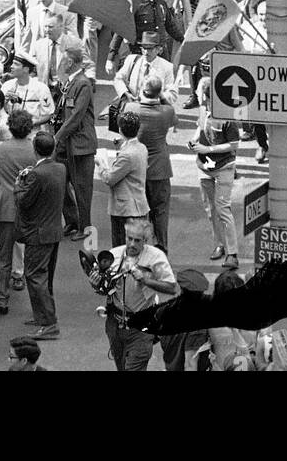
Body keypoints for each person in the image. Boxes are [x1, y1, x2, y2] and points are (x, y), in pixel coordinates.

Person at [0, 107, 36, 316]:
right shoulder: (35, 149)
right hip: (29, 207)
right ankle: (35, 298)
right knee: (33, 254)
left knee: (4, 254)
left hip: (6, 206)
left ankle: (2, 297)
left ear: (9, 126)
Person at [102, 217, 178, 372]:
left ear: (145, 241)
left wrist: (146, 280)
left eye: (137, 240)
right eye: (129, 239)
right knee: (121, 367)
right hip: (115, 325)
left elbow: (171, 287)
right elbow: (102, 288)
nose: (132, 244)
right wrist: (95, 282)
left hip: (142, 328)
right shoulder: (114, 256)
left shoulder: (156, 257)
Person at [14, 129, 65, 341]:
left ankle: (48, 323)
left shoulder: (35, 174)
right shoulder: (60, 168)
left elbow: (24, 201)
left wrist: (19, 183)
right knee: (45, 277)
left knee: (35, 276)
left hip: (38, 233)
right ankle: (43, 316)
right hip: (53, 229)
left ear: (35, 150)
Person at [124, 75, 177, 253]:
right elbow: (172, 114)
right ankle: (161, 246)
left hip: (137, 169)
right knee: (161, 211)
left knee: (139, 211)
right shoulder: (166, 112)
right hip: (160, 168)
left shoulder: (131, 108)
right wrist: (161, 95)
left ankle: (140, 246)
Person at [190, 76, 239, 267]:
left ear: (210, 97)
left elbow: (234, 145)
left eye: (201, 94)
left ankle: (232, 254)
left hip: (224, 167)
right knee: (211, 210)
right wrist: (194, 141)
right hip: (205, 167)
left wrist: (207, 150)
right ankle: (219, 244)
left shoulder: (227, 116)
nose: (198, 97)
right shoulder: (203, 111)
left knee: (223, 209)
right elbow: (199, 129)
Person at [53, 37, 97, 241]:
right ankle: (72, 219)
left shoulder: (83, 84)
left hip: (80, 144)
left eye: (63, 61)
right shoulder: (69, 83)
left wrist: (57, 137)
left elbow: (76, 117)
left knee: (82, 187)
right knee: (61, 184)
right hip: (67, 144)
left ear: (69, 63)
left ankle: (85, 226)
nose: (61, 63)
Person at [97, 111, 150, 247]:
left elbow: (109, 179)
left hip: (125, 210)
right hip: (138, 205)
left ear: (120, 129)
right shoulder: (141, 148)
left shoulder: (126, 155)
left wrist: (101, 164)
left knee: (121, 248)